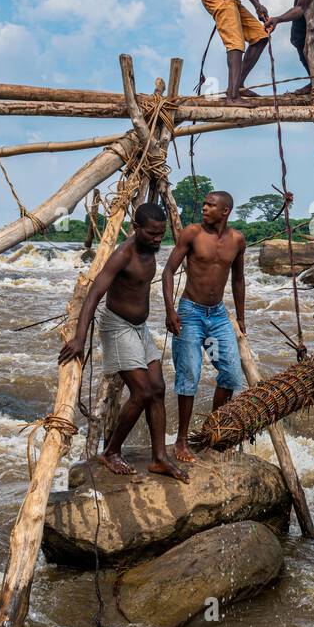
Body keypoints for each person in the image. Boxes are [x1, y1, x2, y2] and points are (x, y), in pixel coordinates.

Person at [57, 203, 187, 481]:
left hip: (139, 328)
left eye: (161, 233)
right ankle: (111, 452)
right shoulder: (123, 254)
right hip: (117, 327)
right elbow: (93, 295)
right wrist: (80, 338)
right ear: (136, 228)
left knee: (158, 388)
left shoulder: (150, 250)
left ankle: (159, 459)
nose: (157, 239)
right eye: (152, 233)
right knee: (142, 392)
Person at [161, 190, 247, 463]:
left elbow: (238, 280)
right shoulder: (192, 233)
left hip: (219, 314)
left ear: (225, 211)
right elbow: (168, 271)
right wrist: (170, 309)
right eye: (205, 204)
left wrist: (242, 317)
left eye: (211, 206)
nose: (205, 209)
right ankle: (182, 440)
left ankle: (212, 430)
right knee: (189, 375)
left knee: (232, 374)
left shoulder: (237, 240)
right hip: (190, 312)